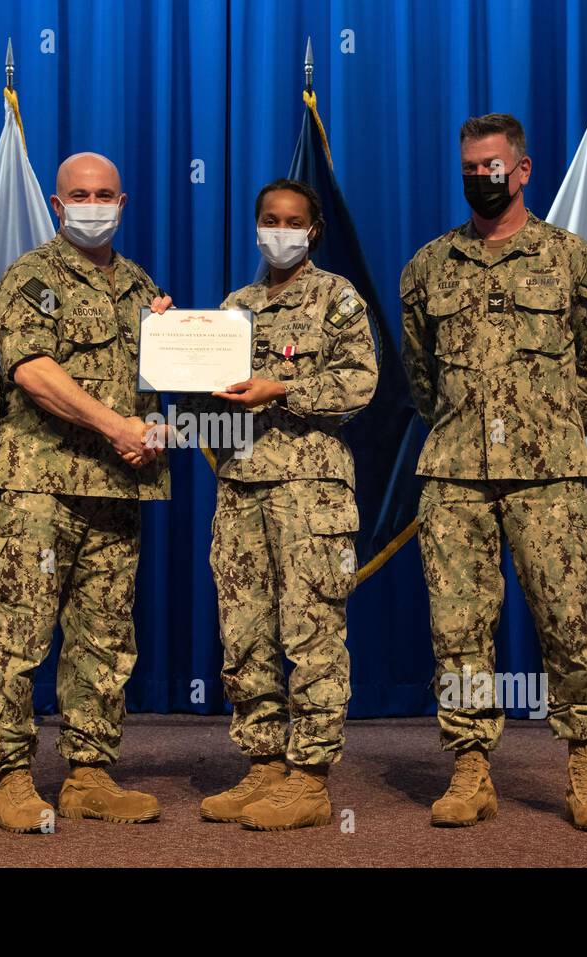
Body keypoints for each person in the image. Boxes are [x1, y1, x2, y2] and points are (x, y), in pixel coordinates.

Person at [400, 113, 587, 831]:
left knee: (567, 618)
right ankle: (471, 768)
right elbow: (420, 381)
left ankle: (585, 764)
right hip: (455, 475)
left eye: (493, 167)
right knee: (458, 627)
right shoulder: (427, 267)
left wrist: (554, 428)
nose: (481, 179)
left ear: (523, 171)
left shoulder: (577, 262)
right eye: (469, 168)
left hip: (548, 474)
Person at [0, 152, 172, 832]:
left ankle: (89, 772)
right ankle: (8, 774)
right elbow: (30, 370)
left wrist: (174, 350)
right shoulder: (32, 275)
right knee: (17, 632)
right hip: (37, 485)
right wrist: (117, 424)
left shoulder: (143, 285)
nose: (93, 204)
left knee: (104, 638)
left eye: (104, 194)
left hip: (116, 490)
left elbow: (158, 382)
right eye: (79, 195)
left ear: (124, 201)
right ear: (57, 205)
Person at [196, 179, 377, 831]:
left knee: (311, 631)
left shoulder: (337, 299)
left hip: (311, 491)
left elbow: (360, 384)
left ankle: (309, 777)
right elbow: (203, 407)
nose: (280, 228)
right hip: (242, 488)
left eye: (292, 220)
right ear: (255, 226)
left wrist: (282, 386)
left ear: (313, 229)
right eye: (269, 219)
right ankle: (265, 763)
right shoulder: (234, 308)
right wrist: (170, 346)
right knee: (245, 632)